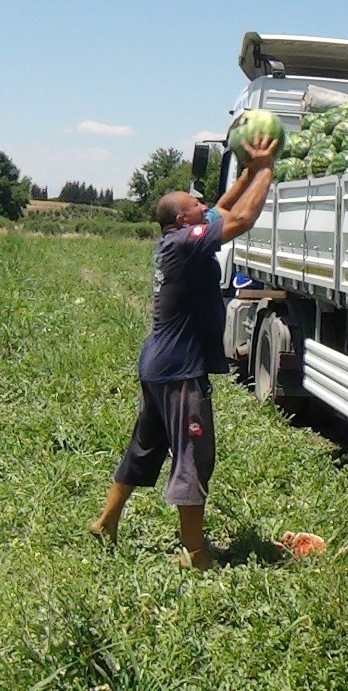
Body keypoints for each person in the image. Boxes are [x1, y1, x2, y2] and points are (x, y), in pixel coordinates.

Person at [88, 134, 278, 570]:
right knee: (194, 456)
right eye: (194, 205)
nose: (203, 206)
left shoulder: (178, 240)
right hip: (178, 373)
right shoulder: (188, 243)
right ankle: (197, 556)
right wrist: (268, 168)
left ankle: (106, 523)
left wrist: (247, 171)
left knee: (143, 448)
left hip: (158, 365)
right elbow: (241, 218)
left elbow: (219, 209)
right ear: (181, 219)